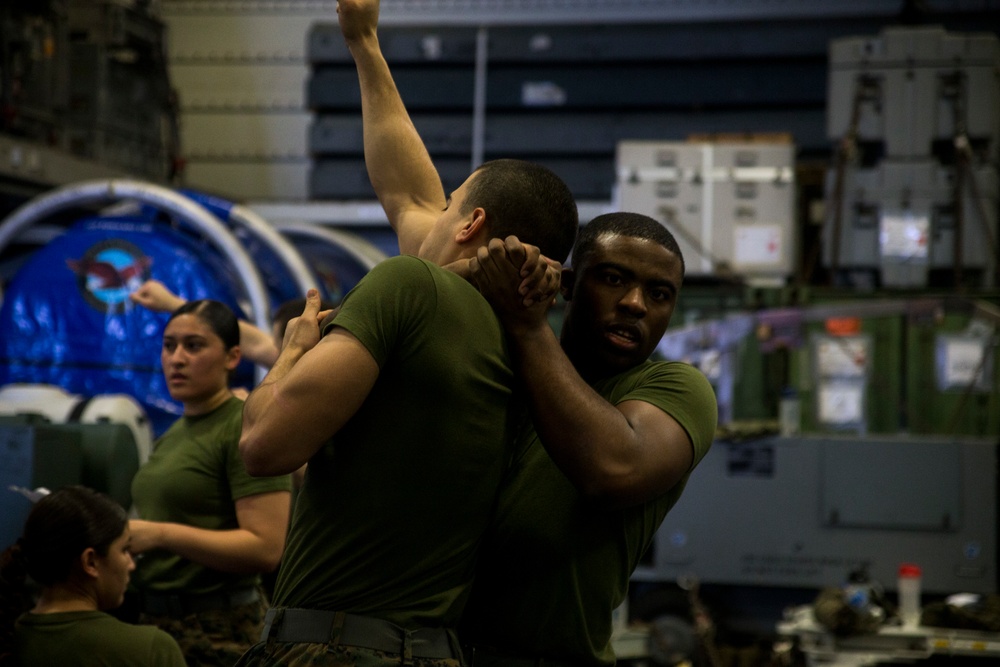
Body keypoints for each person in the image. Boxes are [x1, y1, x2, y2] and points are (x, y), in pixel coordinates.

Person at [233, 2, 578, 665]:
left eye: (452, 205)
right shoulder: (522, 341)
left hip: (331, 647)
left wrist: (292, 354)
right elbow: (409, 195)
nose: (432, 210)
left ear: (472, 223)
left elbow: (262, 446)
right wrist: (365, 42)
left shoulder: (408, 288)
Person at [459, 214, 718, 666]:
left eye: (659, 295)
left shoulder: (678, 390)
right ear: (569, 284)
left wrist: (527, 324)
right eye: (614, 279)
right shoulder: (499, 362)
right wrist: (476, 270)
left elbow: (613, 469)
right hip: (440, 650)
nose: (635, 304)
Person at [129, 299, 292, 666]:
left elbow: (265, 548)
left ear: (233, 358)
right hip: (160, 622)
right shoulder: (175, 432)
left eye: (194, 345)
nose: (177, 358)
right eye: (169, 345)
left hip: (218, 629)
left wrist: (159, 535)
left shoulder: (244, 427)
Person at [0, 485, 185, 667]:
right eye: (125, 549)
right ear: (90, 562)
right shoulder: (150, 650)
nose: (131, 564)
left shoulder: (9, 640)